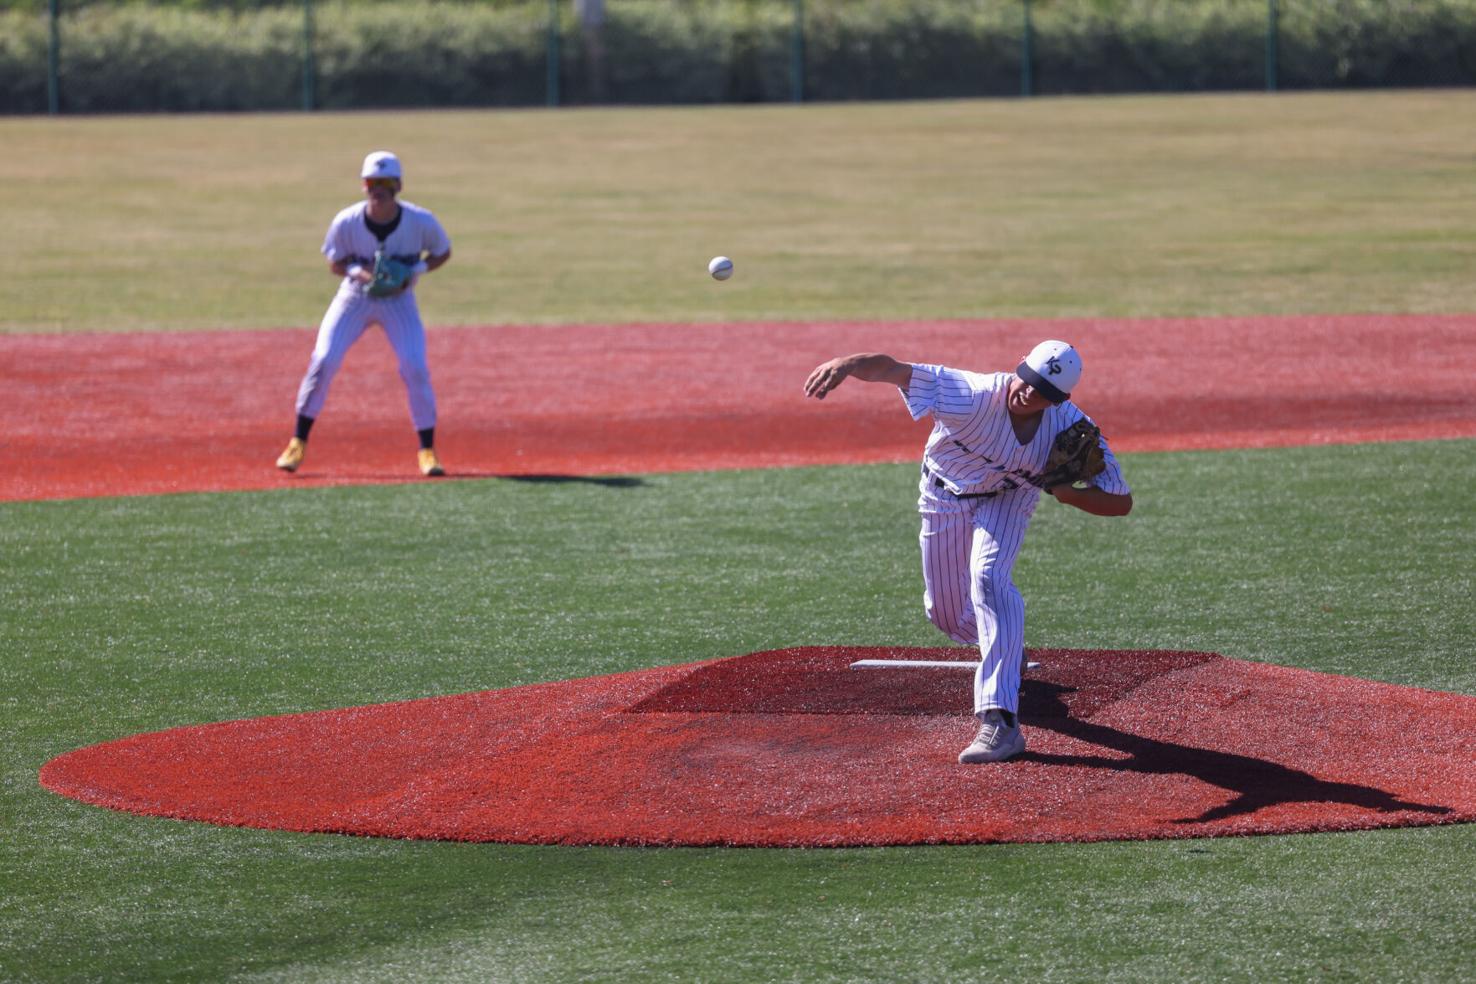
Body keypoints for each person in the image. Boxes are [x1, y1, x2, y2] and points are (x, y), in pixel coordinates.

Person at [803, 340, 1133, 764]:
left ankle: (1000, 722)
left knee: (988, 578)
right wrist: (846, 362)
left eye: (1043, 392)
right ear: (1020, 368)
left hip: (1009, 498)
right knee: (942, 612)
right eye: (1028, 380)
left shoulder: (1068, 426)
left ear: (1060, 400)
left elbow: (1121, 501)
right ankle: (1007, 647)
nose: (1028, 393)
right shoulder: (973, 394)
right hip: (943, 493)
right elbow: (897, 370)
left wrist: (1069, 495)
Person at [276, 151, 453, 477]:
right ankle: (297, 442)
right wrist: (359, 272)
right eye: (372, 182)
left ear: (398, 185)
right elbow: (335, 262)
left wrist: (415, 269)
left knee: (414, 366)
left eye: (385, 182)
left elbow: (443, 251)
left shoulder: (420, 221)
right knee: (324, 359)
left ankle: (427, 449)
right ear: (364, 185)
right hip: (353, 299)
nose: (378, 189)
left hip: (399, 302)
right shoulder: (347, 222)